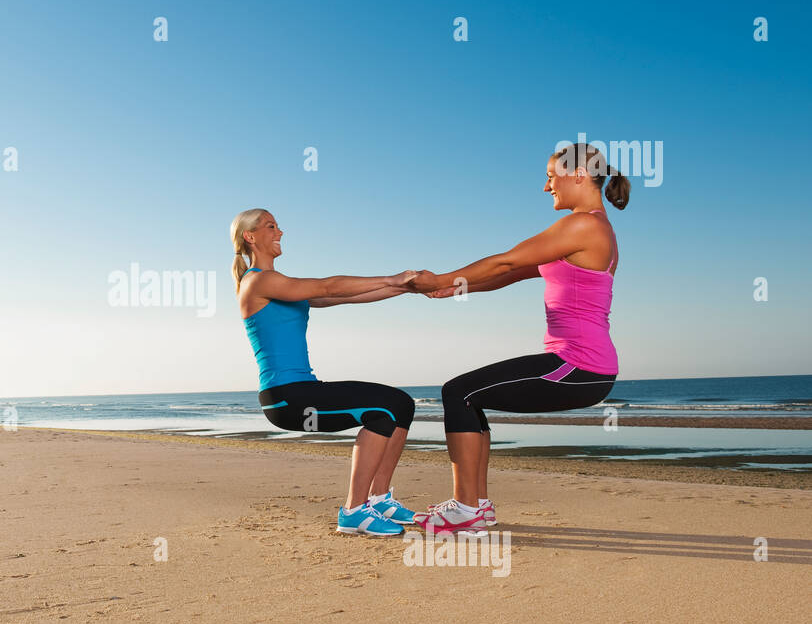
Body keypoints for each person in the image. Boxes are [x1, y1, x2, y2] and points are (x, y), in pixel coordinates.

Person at [407, 143, 631, 532]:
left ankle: (466, 510)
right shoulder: (595, 229)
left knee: (457, 392)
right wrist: (456, 289)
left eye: (550, 176)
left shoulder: (584, 225)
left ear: (578, 174)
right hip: (583, 366)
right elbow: (512, 274)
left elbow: (506, 259)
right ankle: (476, 507)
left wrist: (439, 277)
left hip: (577, 366)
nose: (547, 187)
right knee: (469, 397)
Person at [231, 208, 418, 536]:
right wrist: (393, 278)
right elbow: (328, 285)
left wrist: (409, 288)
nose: (280, 231)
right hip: (286, 399)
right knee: (383, 409)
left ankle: (379, 499)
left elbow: (344, 295)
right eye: (271, 226)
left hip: (302, 390)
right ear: (251, 236)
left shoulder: (282, 286)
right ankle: (354, 511)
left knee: (402, 405)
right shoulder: (258, 281)